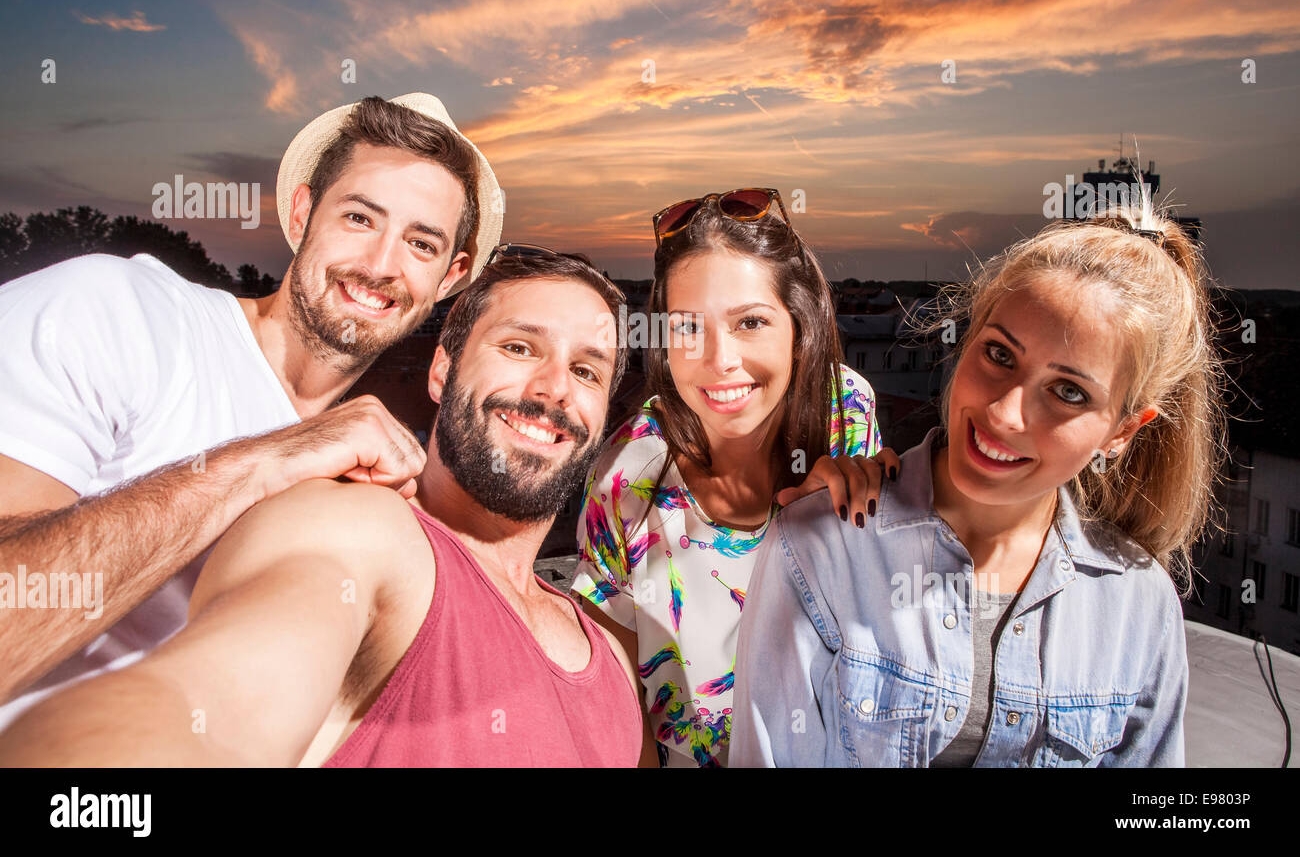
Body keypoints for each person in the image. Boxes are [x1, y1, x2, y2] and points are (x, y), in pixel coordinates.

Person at [0, 248, 642, 767]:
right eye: (520, 347)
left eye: (587, 371)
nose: (555, 388)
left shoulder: (613, 662)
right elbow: (191, 717)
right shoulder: (360, 533)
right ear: (443, 371)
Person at [0, 92, 504, 730]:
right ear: (302, 212)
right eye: (358, 218)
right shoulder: (115, 309)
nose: (382, 265)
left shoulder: (365, 471)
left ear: (451, 276)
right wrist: (262, 463)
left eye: (422, 244)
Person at [731, 209, 1225, 767]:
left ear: (1122, 431)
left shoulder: (1140, 602)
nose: (1003, 412)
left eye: (1067, 392)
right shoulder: (822, 545)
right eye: (998, 355)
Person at [571, 188, 896, 767]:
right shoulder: (628, 473)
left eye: (750, 322)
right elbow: (614, 695)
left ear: (801, 326)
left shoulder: (845, 413)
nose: (718, 359)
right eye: (687, 326)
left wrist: (836, 523)